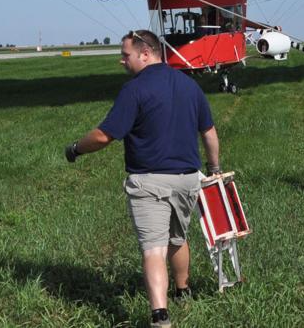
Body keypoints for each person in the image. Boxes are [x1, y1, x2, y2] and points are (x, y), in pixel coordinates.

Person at [64, 30, 221, 328]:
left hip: (150, 182)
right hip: (188, 180)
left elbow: (103, 135)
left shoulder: (134, 89)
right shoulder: (190, 85)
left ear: (145, 53)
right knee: (178, 238)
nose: (121, 61)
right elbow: (209, 135)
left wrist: (74, 149)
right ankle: (182, 290)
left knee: (153, 248)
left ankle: (160, 316)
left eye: (126, 55)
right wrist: (213, 170)